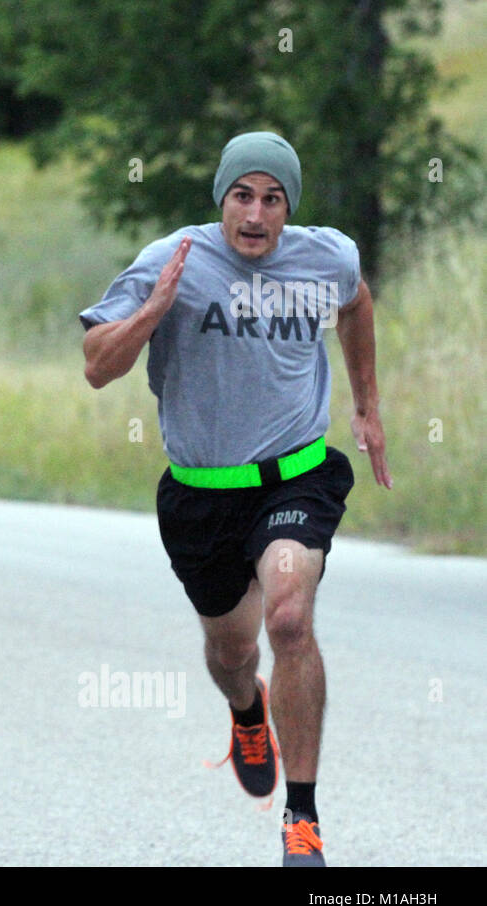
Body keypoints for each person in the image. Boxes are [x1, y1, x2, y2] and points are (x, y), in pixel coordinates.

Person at [79, 132, 392, 866]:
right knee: (231, 650)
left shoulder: (325, 257)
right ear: (221, 199)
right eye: (242, 196)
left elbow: (356, 300)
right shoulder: (172, 260)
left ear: (289, 207)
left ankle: (302, 820)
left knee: (289, 617)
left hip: (295, 475)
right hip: (201, 494)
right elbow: (97, 366)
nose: (255, 214)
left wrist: (367, 404)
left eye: (272, 198)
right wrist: (152, 311)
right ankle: (247, 710)